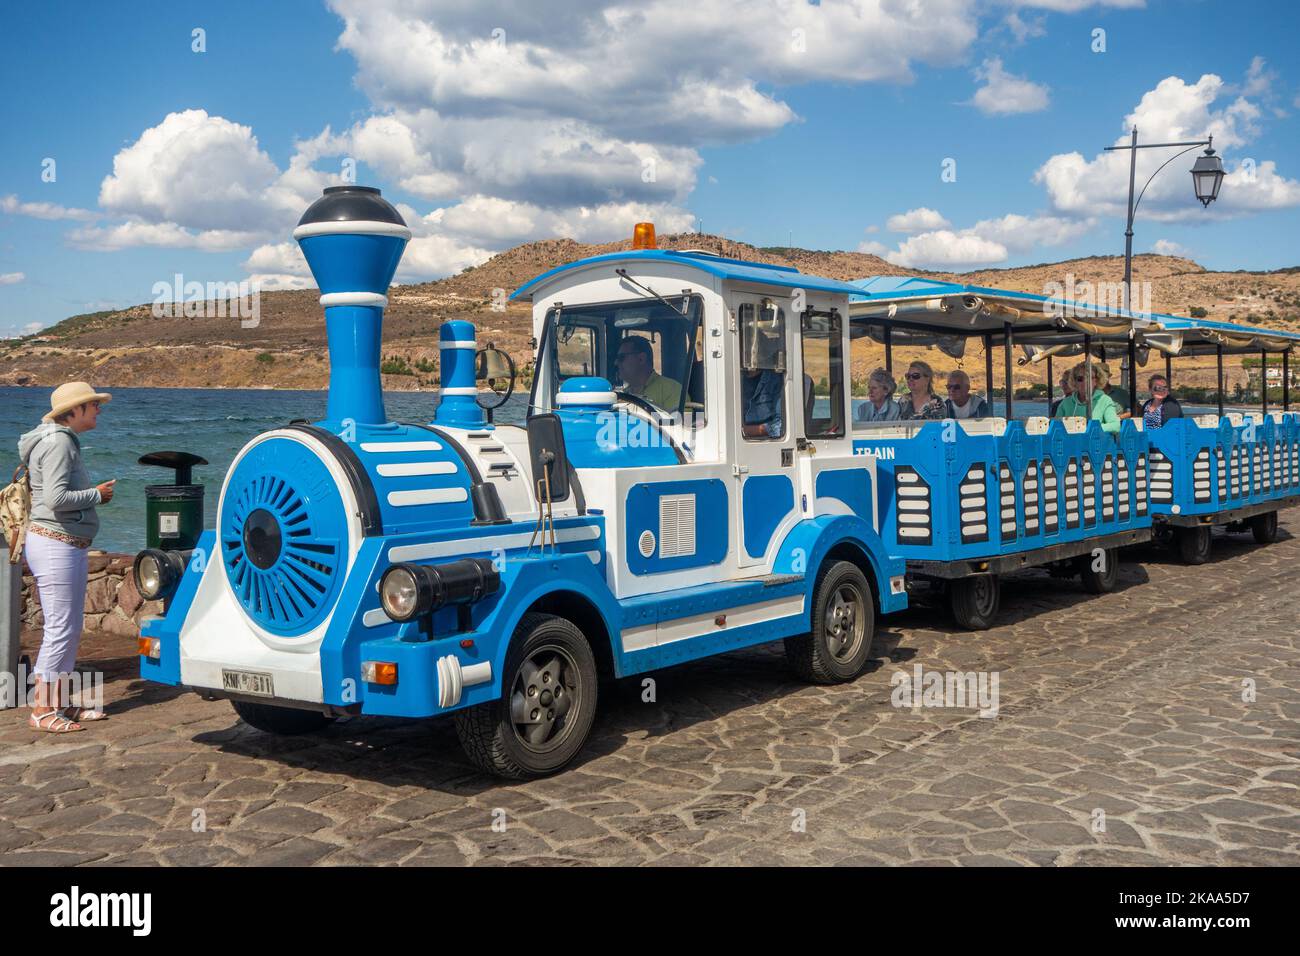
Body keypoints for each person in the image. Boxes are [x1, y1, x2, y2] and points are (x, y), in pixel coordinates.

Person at [16, 382, 116, 733]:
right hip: (57, 543)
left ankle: (60, 704)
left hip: (59, 541)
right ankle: (42, 710)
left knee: (68, 628)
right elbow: (57, 499)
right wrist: (96, 495)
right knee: (60, 629)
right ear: (73, 411)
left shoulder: (54, 439)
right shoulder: (58, 442)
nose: (98, 410)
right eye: (92, 405)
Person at [615, 336, 681, 412]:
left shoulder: (673, 391)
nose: (616, 363)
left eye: (621, 357)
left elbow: (682, 422)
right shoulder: (623, 395)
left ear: (641, 359)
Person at [1054, 362, 1121, 434]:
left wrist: (1088, 428)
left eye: (1089, 378)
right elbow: (1056, 426)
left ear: (1096, 381)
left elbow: (1115, 426)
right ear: (1075, 382)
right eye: (1080, 379)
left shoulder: (1105, 400)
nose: (1085, 382)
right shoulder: (1066, 403)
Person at [742, 366, 785, 438]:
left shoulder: (776, 379)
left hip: (768, 444)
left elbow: (781, 427)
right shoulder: (732, 378)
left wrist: (747, 431)